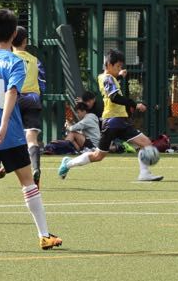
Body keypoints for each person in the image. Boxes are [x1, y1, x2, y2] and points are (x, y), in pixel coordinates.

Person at [0, 8, 61, 252]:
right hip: (11, 134)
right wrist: (5, 124)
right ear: (15, 33)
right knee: (28, 183)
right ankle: (44, 235)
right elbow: (12, 92)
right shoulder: (15, 62)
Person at [57, 49, 164, 182]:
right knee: (98, 156)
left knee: (146, 142)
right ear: (108, 65)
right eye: (118, 66)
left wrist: (119, 75)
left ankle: (144, 173)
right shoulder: (107, 78)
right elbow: (114, 97)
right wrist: (135, 104)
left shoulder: (107, 77)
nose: (120, 68)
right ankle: (67, 164)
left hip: (120, 121)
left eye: (121, 66)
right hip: (112, 122)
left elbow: (111, 83)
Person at [0, 26, 45, 183]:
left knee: (7, 136)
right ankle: (35, 167)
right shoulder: (35, 60)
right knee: (31, 138)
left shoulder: (8, 58)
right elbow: (42, 84)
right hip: (32, 100)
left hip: (14, 99)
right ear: (25, 41)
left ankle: (1, 165)